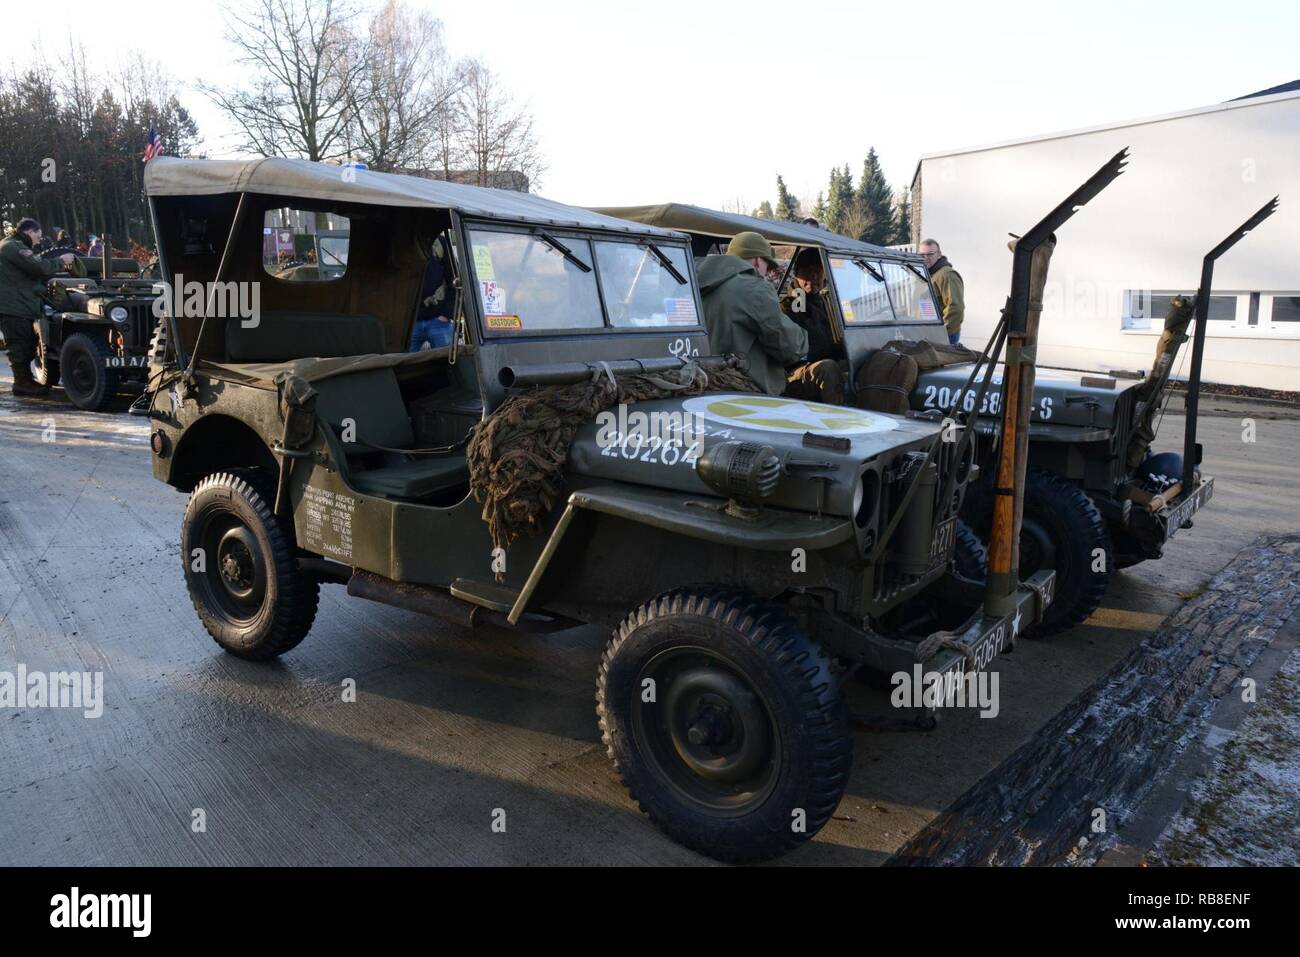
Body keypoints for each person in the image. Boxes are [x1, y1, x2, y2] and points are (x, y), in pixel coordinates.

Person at [696, 231, 808, 396]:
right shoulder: (753, 288)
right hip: (747, 390)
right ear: (757, 261)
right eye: (767, 266)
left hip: (705, 385)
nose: (767, 273)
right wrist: (804, 338)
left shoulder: (698, 282)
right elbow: (791, 347)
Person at [0, 218, 75, 397]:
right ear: (30, 232)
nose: (39, 240)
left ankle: (25, 381)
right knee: (19, 345)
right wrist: (61, 261)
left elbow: (25, 277)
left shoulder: (12, 245)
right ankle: (22, 383)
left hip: (19, 304)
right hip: (14, 307)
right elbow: (38, 266)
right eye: (38, 236)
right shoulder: (13, 247)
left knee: (26, 343)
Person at [779, 247, 844, 404]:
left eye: (818, 271)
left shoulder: (828, 303)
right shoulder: (792, 305)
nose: (814, 277)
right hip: (795, 371)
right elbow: (795, 351)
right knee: (828, 369)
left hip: (823, 363)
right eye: (807, 271)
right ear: (796, 274)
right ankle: (836, 423)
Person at [920, 238, 964, 345]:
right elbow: (926, 305)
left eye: (930, 254)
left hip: (945, 335)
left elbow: (955, 307)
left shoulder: (947, 274)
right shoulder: (927, 274)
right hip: (929, 333)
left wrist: (942, 332)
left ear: (939, 254)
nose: (926, 258)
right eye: (922, 255)